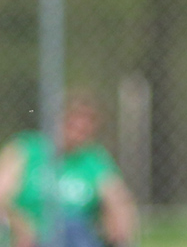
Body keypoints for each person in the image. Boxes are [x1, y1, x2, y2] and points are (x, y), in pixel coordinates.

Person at [0, 91, 138, 247]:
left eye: (86, 126)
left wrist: (119, 230)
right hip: (35, 235)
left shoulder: (93, 159)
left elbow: (118, 200)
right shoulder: (26, 149)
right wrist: (20, 225)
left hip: (79, 235)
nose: (79, 130)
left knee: (72, 226)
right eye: (73, 123)